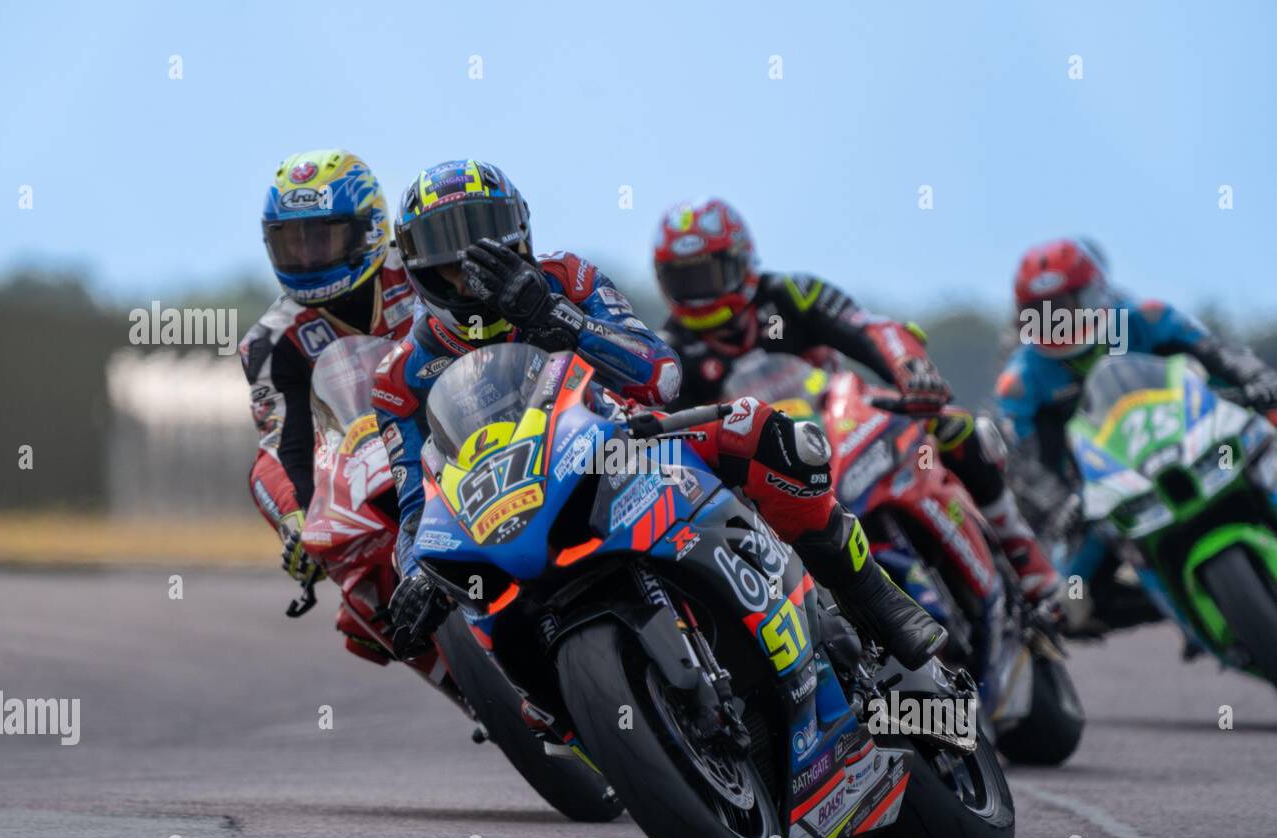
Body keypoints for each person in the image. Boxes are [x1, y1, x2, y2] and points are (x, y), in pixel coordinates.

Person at [373, 162, 946, 671]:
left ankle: (874, 596)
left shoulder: (568, 279)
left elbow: (660, 375)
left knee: (771, 436)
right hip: (504, 510)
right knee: (457, 614)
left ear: (518, 231)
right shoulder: (399, 378)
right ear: (417, 259)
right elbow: (414, 510)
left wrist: (555, 317)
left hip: (620, 448)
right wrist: (417, 571)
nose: (471, 262)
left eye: (485, 238)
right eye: (447, 247)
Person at [653, 197, 1059, 606]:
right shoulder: (670, 351)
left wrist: (910, 368)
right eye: (684, 280)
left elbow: (869, 329)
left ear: (741, 262)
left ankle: (1023, 553)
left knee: (959, 427)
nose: (699, 293)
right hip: (766, 468)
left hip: (845, 416)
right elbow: (671, 429)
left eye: (708, 274)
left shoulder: (791, 294)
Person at [996, 236, 1277, 633]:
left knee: (1268, 427)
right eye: (1038, 312)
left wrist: (1258, 379)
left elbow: (1220, 353)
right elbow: (1026, 461)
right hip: (1101, 489)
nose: (1053, 321)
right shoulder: (1019, 382)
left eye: (1062, 307)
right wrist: (1060, 502)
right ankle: (1174, 606)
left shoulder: (1146, 317)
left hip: (1195, 437)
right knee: (1064, 600)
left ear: (1094, 295)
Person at [238, 149, 420, 662]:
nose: (308, 255)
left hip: (468, 432)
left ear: (369, 230)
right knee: (361, 611)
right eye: (291, 241)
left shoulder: (422, 267)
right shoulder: (271, 340)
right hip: (372, 467)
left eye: (323, 236)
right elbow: (278, 444)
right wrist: (295, 522)